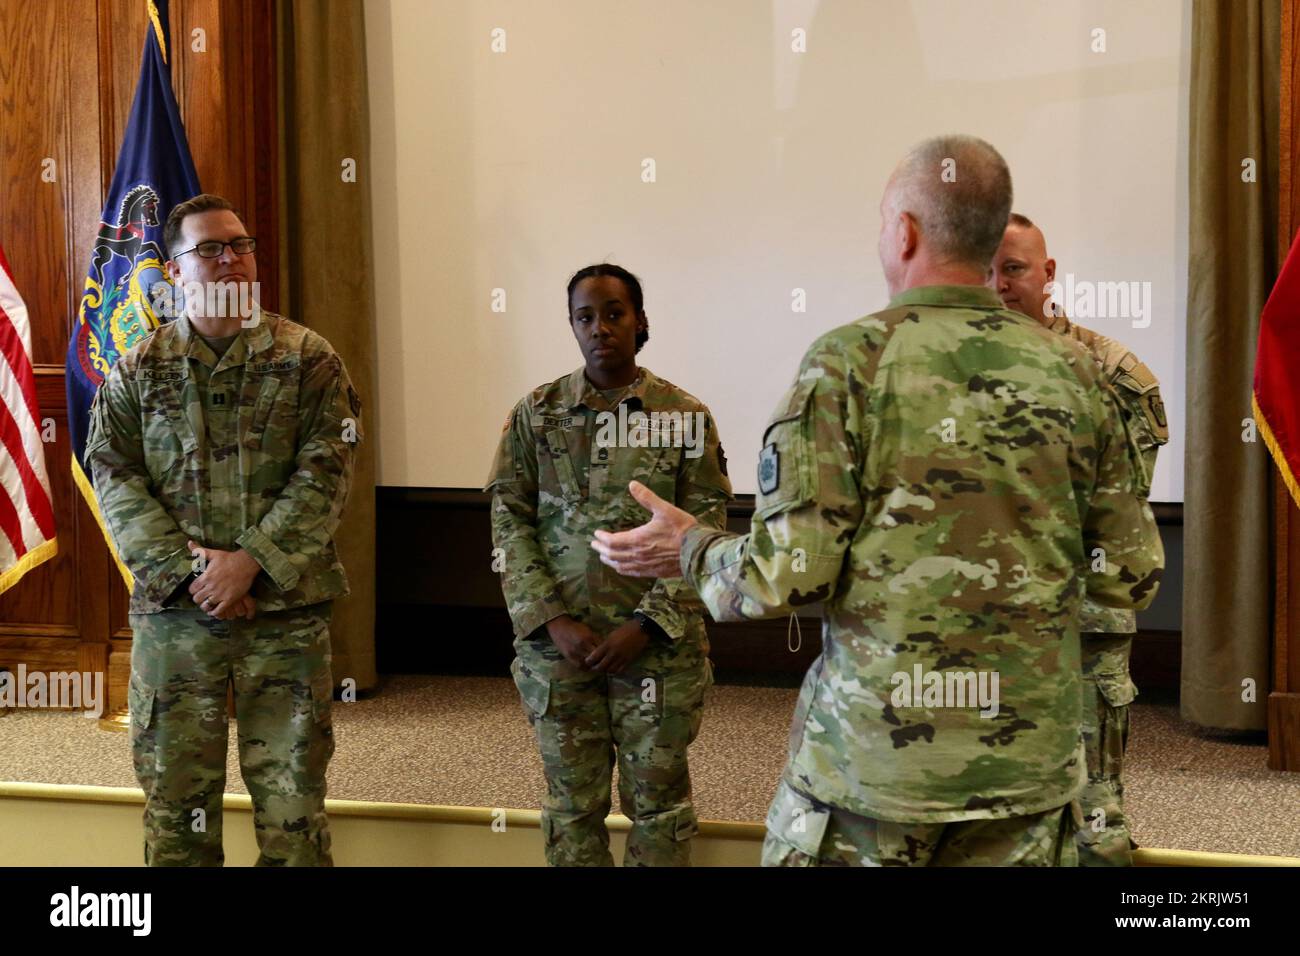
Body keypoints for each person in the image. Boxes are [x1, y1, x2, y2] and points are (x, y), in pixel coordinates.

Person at [592, 135, 1164, 866]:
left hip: (872, 778)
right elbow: (1133, 571)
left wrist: (690, 546)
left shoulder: (846, 364)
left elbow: (782, 577)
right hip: (1026, 776)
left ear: (905, 232)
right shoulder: (1079, 376)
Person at [86, 193, 361, 866]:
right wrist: (196, 575)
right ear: (173, 271)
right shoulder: (136, 369)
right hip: (176, 620)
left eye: (240, 245)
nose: (232, 259)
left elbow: (326, 471)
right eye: (209, 249)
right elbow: (114, 475)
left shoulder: (308, 359)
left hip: (284, 617)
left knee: (294, 816)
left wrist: (250, 563)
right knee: (177, 819)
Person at [486, 263, 732, 866]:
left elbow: (705, 534)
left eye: (615, 314)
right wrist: (551, 620)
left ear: (641, 320)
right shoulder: (534, 414)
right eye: (585, 316)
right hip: (559, 650)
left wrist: (644, 626)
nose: (601, 328)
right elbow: (508, 524)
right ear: (572, 325)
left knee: (659, 807)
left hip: (657, 651)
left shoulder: (684, 417)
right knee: (571, 806)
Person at [991, 212, 1169, 865]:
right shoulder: (946, 372)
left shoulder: (1114, 375)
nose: (1000, 284)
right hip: (978, 622)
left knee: (1097, 819)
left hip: (1082, 617)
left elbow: (1113, 512)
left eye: (1014, 268)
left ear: (1048, 273)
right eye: (986, 270)